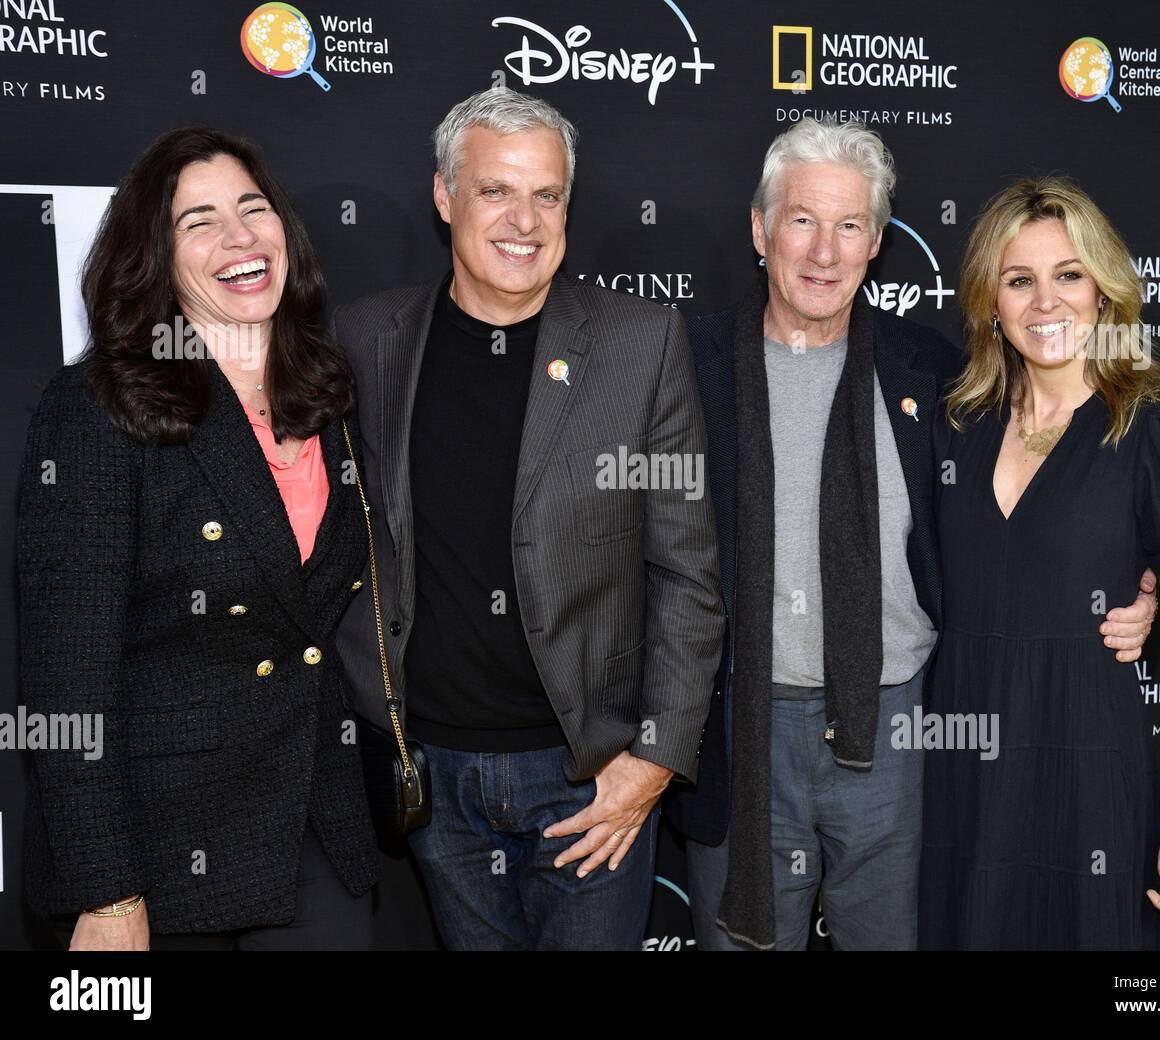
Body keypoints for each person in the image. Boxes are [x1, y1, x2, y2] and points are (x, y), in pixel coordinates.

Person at [666, 118, 1158, 951]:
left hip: (900, 731)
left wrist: (1138, 582)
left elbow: (1039, 500)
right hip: (740, 731)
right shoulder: (687, 362)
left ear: (876, 244)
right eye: (802, 220)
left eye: (850, 225)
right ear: (760, 229)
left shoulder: (933, 374)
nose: (824, 250)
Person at [330, 87, 723, 951]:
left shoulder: (639, 342)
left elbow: (688, 571)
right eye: (495, 191)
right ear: (444, 196)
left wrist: (652, 760)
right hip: (433, 772)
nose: (525, 220)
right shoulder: (367, 339)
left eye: (547, 195)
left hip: (589, 775)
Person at [17, 126, 379, 950]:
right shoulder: (98, 408)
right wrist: (108, 894)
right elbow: (68, 685)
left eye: (254, 209)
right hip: (157, 845)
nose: (240, 237)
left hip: (313, 825)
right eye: (200, 221)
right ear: (156, 256)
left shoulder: (330, 391)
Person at [919, 177, 1160, 949]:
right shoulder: (953, 424)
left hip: (1088, 768)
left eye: (1069, 274)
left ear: (1104, 290)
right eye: (1019, 280)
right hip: (958, 773)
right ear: (987, 301)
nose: (1046, 302)